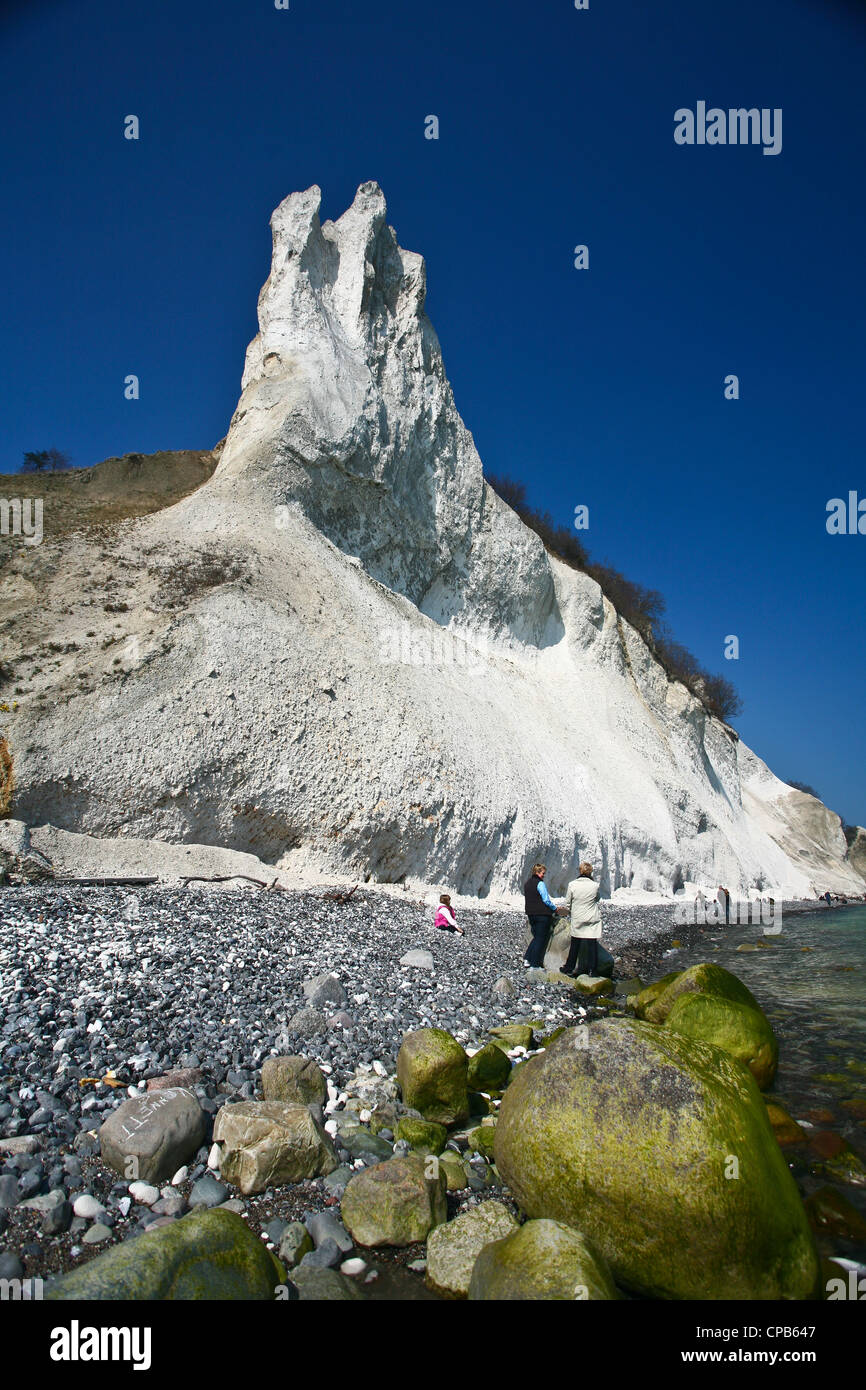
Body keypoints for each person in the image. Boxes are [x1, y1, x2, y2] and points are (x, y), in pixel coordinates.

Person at [561, 862, 603, 977]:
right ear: (590, 872)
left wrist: (567, 911)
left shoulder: (572, 885)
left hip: (578, 917)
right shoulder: (595, 885)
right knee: (592, 945)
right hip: (591, 918)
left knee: (575, 945)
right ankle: (592, 970)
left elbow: (568, 903)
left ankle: (569, 967)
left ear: (580, 871)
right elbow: (597, 898)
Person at [523, 862, 558, 967]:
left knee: (536, 937)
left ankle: (527, 958)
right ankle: (535, 963)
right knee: (540, 939)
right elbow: (546, 900)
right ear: (537, 872)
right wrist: (555, 908)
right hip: (541, 914)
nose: (544, 875)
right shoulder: (540, 883)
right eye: (543, 873)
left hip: (531, 914)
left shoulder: (527, 883)